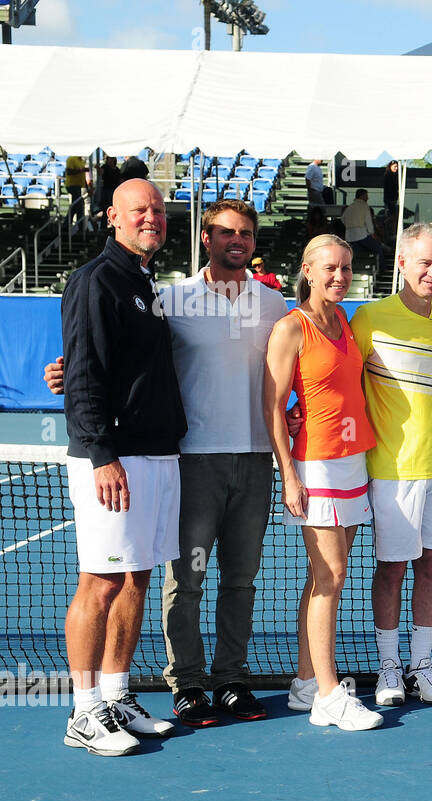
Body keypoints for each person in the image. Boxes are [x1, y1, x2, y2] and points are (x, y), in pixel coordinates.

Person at [47, 198, 288, 729]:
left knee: (240, 579)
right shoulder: (170, 299)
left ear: (253, 242)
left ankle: (231, 677)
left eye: (246, 233)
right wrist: (71, 375)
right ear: (206, 238)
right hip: (189, 460)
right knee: (183, 579)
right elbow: (110, 356)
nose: (237, 240)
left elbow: (297, 369)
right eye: (225, 231)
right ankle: (188, 683)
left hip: (253, 460)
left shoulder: (275, 306)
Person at [60, 179, 186, 755]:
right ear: (112, 216)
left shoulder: (144, 283)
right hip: (116, 459)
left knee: (137, 577)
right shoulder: (96, 280)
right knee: (102, 581)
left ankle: (115, 696)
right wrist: (102, 454)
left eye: (158, 210)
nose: (151, 218)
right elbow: (84, 372)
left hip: (158, 454)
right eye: (140, 210)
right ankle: (84, 712)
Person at [263, 234, 382, 731]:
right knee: (330, 577)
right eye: (330, 268)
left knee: (324, 576)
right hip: (316, 465)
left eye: (347, 268)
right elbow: (271, 405)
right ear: (308, 270)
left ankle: (306, 683)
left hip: (354, 459)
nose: (340, 276)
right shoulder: (291, 328)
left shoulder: (346, 323)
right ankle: (330, 698)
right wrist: (288, 473)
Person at [351, 223, 432, 708]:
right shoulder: (370, 319)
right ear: (401, 263)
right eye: (424, 262)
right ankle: (389, 668)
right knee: (392, 571)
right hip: (393, 471)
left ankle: (422, 665)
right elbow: (341, 383)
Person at [341, 188, 387, 269]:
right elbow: (368, 222)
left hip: (350, 236)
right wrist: (372, 233)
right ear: (362, 196)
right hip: (362, 235)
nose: (367, 198)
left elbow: (343, 219)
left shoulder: (350, 207)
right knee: (378, 249)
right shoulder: (364, 206)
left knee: (356, 256)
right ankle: (382, 269)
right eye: (366, 195)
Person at [64, 154, 91, 233]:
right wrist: (80, 170)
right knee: (79, 205)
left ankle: (66, 225)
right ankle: (80, 227)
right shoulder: (71, 159)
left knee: (75, 206)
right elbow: (68, 172)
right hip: (72, 185)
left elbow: (83, 176)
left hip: (79, 186)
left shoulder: (82, 161)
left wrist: (87, 188)